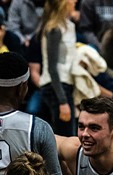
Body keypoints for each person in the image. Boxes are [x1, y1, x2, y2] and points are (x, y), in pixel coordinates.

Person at [38, 0, 79, 136]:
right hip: (56, 88)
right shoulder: (54, 29)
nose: (75, 1)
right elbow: (52, 67)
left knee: (69, 136)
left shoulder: (68, 26)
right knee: (65, 138)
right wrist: (63, 101)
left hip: (65, 85)